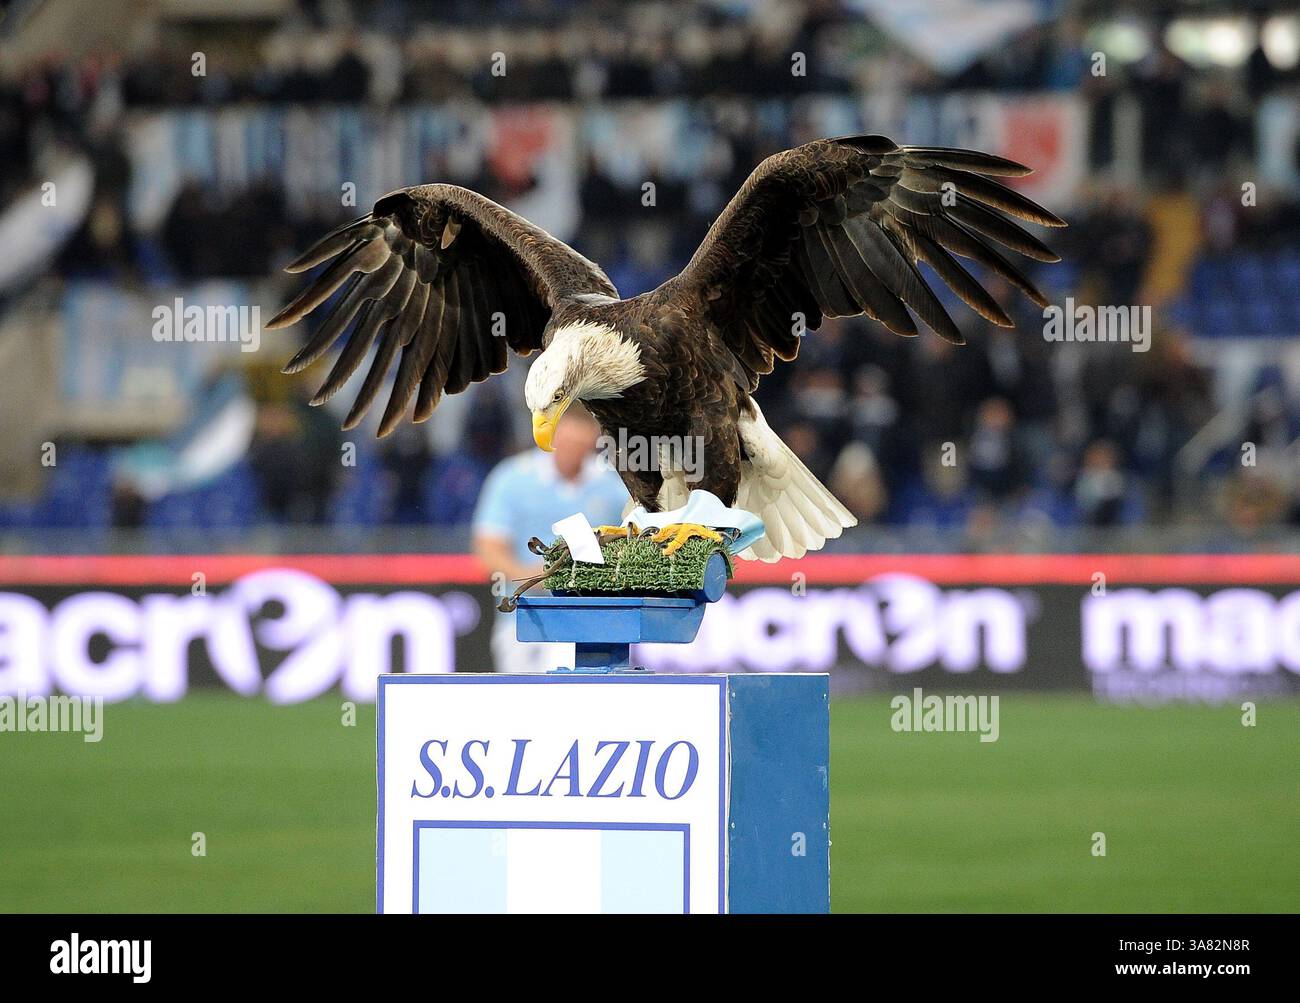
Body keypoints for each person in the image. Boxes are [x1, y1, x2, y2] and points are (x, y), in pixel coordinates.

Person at [472, 406, 628, 673]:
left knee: (570, 690)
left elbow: (629, 542)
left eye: (580, 443)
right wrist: (534, 578)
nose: (572, 450)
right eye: (567, 441)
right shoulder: (512, 478)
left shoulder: (612, 485)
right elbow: (488, 547)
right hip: (522, 616)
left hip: (586, 618)